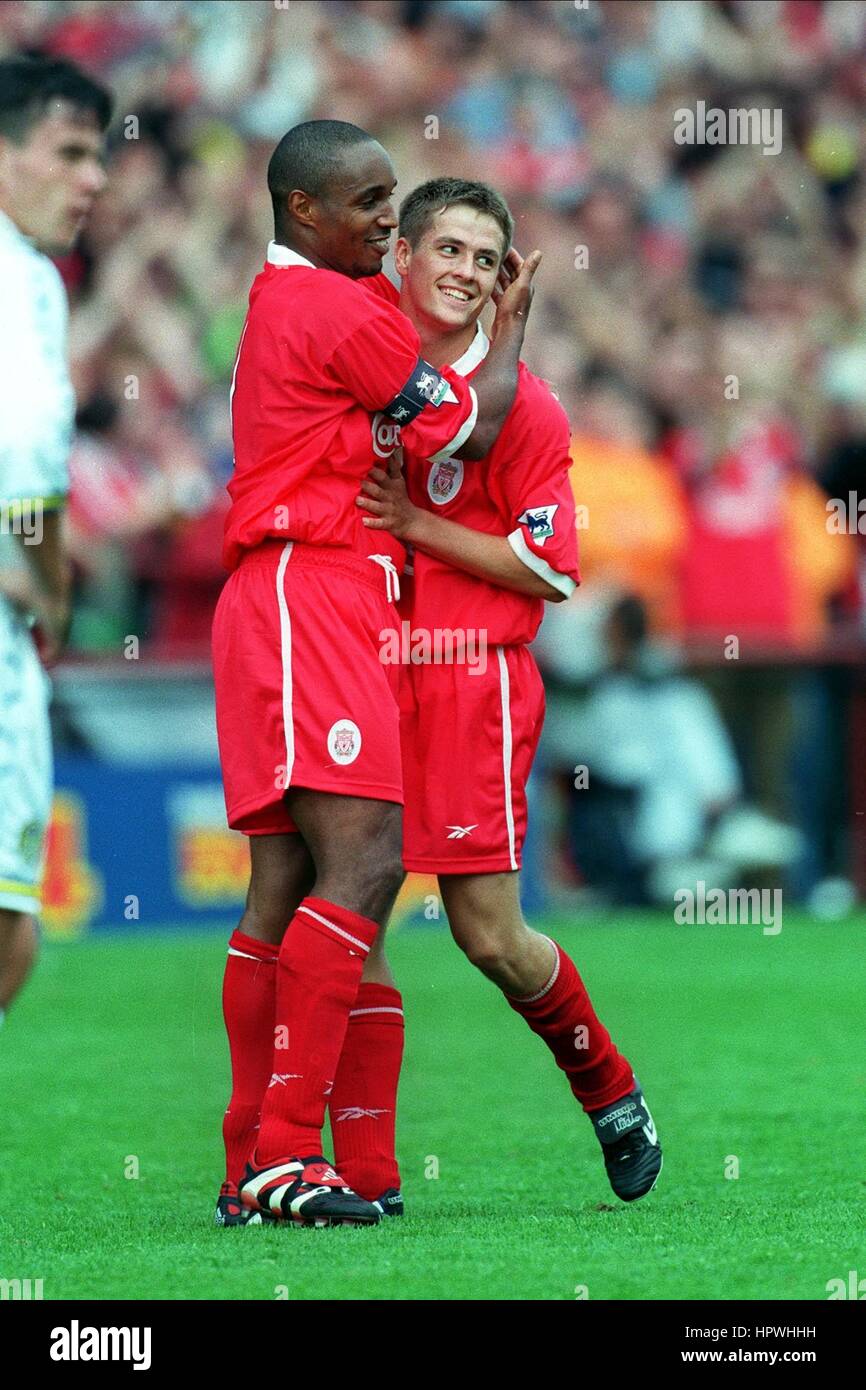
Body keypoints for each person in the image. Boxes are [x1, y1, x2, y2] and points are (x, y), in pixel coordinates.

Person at [213, 122, 540, 1227]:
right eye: (370, 204)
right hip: (314, 591)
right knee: (362, 863)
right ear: (304, 210)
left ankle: (250, 1159)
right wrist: (507, 333)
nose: (385, 222)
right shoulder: (336, 308)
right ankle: (283, 1153)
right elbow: (472, 429)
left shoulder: (282, 299)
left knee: (286, 883)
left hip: (283, 597)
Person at [355, 178, 662, 1203]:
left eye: (485, 261)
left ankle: (607, 1084)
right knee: (341, 911)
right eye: (448, 248)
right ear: (398, 252)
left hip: (469, 678)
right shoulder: (354, 367)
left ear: (500, 287)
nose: (464, 272)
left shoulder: (526, 403)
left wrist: (420, 526)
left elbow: (550, 567)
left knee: (486, 933)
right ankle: (360, 1166)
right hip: (355, 665)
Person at [0, 55, 111, 1028]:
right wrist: (47, 588)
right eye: (70, 152)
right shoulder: (22, 279)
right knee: (11, 926)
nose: (94, 177)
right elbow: (28, 464)